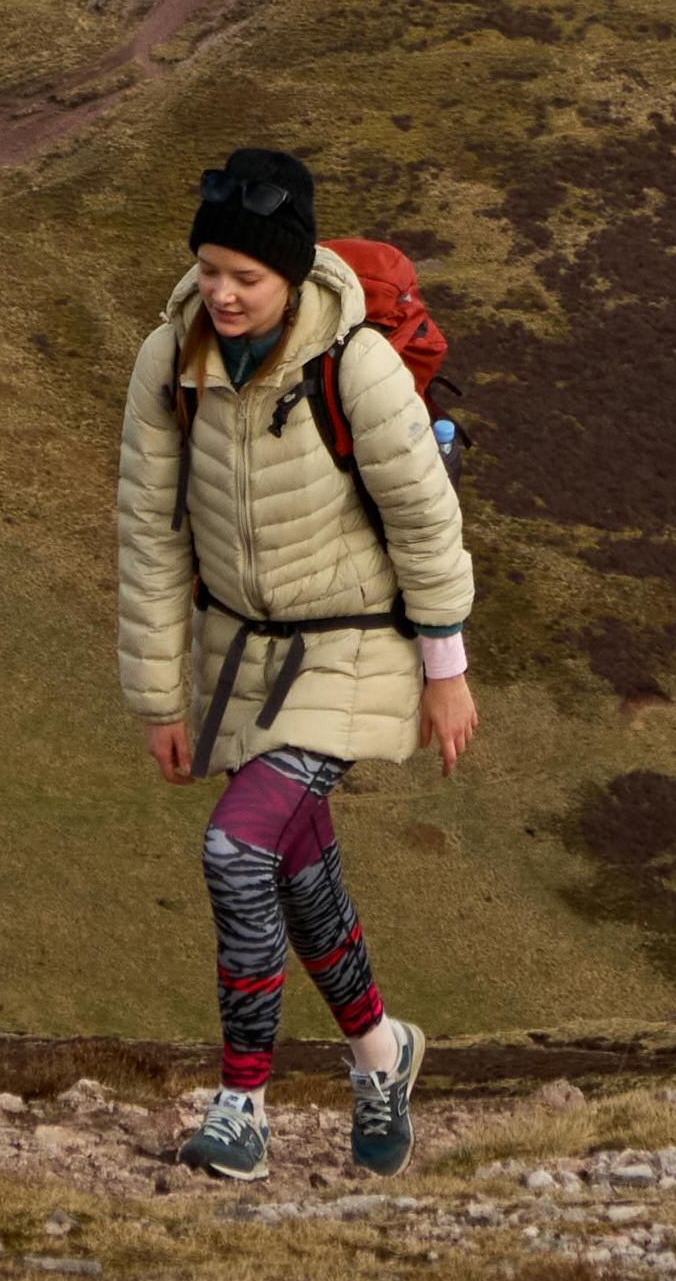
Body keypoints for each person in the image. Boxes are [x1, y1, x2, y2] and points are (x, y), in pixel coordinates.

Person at [115, 146, 476, 1185]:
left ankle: (240, 1105)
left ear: (290, 272)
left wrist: (443, 667)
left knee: (235, 852)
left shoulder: (349, 363)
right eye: (212, 270)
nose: (223, 294)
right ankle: (379, 1053)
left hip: (354, 644)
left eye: (247, 278)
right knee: (296, 869)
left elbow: (421, 515)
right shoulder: (167, 362)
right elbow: (148, 533)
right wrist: (157, 693)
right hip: (238, 657)